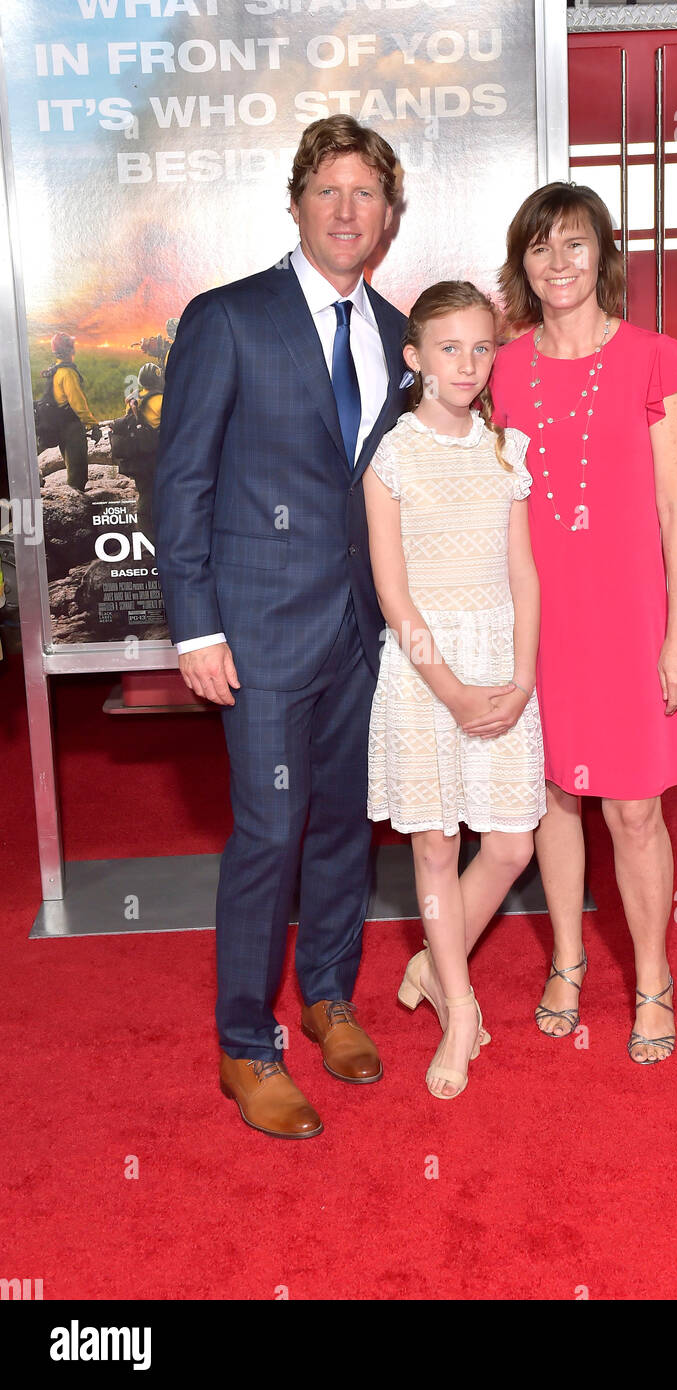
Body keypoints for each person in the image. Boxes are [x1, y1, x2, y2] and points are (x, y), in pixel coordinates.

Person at [153, 115, 411, 1139]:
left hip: (360, 633)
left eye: (367, 194)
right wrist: (195, 627)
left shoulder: (397, 333)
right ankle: (244, 1045)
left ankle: (329, 994)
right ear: (297, 202)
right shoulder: (227, 318)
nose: (347, 211)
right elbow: (180, 482)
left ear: (389, 216)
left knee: (345, 827)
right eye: (329, 191)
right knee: (269, 831)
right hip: (255, 632)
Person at [488, 183, 677, 1065]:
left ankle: (652, 977)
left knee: (636, 811)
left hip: (628, 618)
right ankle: (567, 961)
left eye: (574, 245)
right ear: (522, 264)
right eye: (542, 249)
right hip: (537, 615)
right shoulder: (503, 367)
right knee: (550, 796)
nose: (559, 264)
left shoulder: (657, 359)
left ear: (603, 256)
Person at [364, 281, 546, 1099]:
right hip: (423, 669)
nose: (468, 364)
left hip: (503, 665)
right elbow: (393, 596)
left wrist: (522, 676)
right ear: (415, 359)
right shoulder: (392, 457)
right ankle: (461, 1006)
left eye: (482, 348)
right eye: (450, 348)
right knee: (436, 846)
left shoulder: (507, 450)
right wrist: (451, 690)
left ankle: (432, 966)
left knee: (510, 844)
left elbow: (525, 574)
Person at [36, 333, 100, 491]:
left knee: (71, 465)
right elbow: (78, 404)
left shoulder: (55, 370)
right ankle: (77, 504)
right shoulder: (68, 373)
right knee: (77, 472)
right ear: (70, 349)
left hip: (60, 425)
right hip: (71, 427)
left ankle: (74, 495)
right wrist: (93, 424)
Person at [109, 361, 163, 536]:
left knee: (145, 491)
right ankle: (151, 536)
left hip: (138, 456)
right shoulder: (162, 400)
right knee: (150, 498)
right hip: (155, 456)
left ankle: (149, 531)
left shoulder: (133, 398)